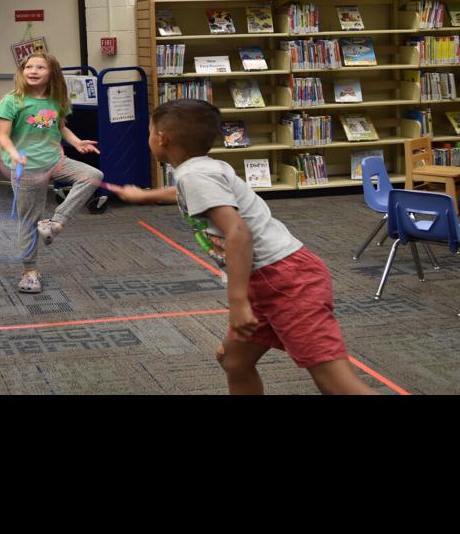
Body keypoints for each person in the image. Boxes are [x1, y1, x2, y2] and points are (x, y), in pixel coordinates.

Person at [112, 99, 376, 395]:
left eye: (149, 131)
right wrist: (146, 196)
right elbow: (188, 193)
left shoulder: (194, 175)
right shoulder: (203, 169)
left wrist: (238, 303)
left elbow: (238, 233)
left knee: (335, 383)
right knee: (234, 361)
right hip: (270, 279)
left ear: (161, 138)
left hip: (286, 282)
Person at [0, 52, 102, 293]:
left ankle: (55, 224)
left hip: (54, 160)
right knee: (29, 221)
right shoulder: (12, 101)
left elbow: (61, 127)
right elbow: (2, 135)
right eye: (28, 67)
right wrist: (12, 153)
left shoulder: (57, 100)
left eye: (40, 67)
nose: (32, 71)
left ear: (51, 72)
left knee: (93, 175)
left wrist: (77, 143)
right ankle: (29, 272)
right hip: (27, 167)